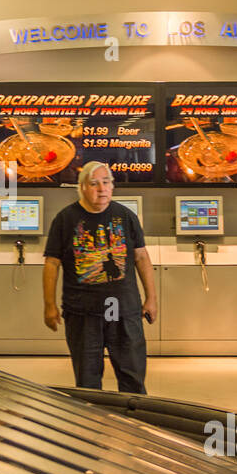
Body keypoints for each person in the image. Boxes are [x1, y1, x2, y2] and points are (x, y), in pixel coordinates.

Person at [42, 161, 156, 395]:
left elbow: (141, 258)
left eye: (106, 182)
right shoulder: (65, 219)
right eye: (94, 183)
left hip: (123, 310)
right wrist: (49, 305)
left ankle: (135, 426)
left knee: (132, 375)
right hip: (83, 313)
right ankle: (93, 425)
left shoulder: (126, 216)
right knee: (87, 380)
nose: (101, 188)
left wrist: (151, 299)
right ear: (82, 187)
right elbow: (52, 264)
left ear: (112, 187)